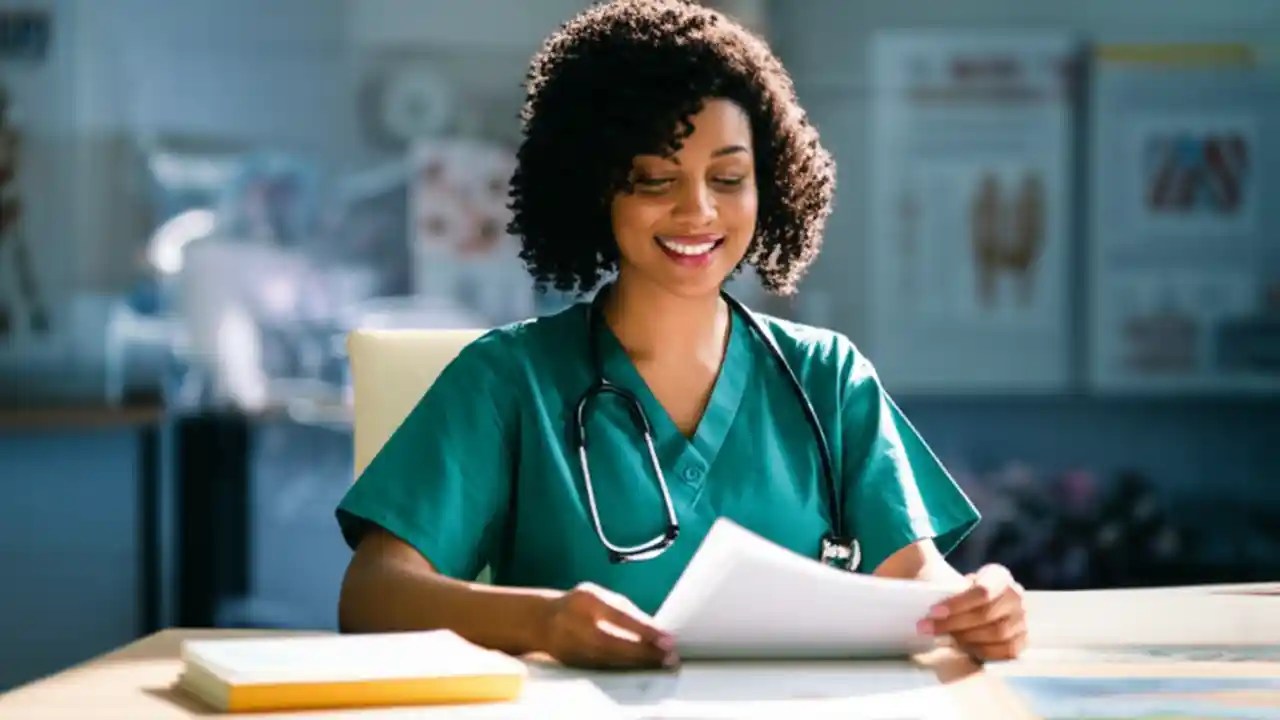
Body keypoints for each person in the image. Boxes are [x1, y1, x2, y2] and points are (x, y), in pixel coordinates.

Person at [335, 0, 1028, 670]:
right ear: (592, 187)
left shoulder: (829, 379)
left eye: (728, 177)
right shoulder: (509, 380)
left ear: (771, 182)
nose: (698, 211)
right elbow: (372, 595)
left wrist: (980, 605)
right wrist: (540, 621)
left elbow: (919, 580)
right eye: (655, 180)